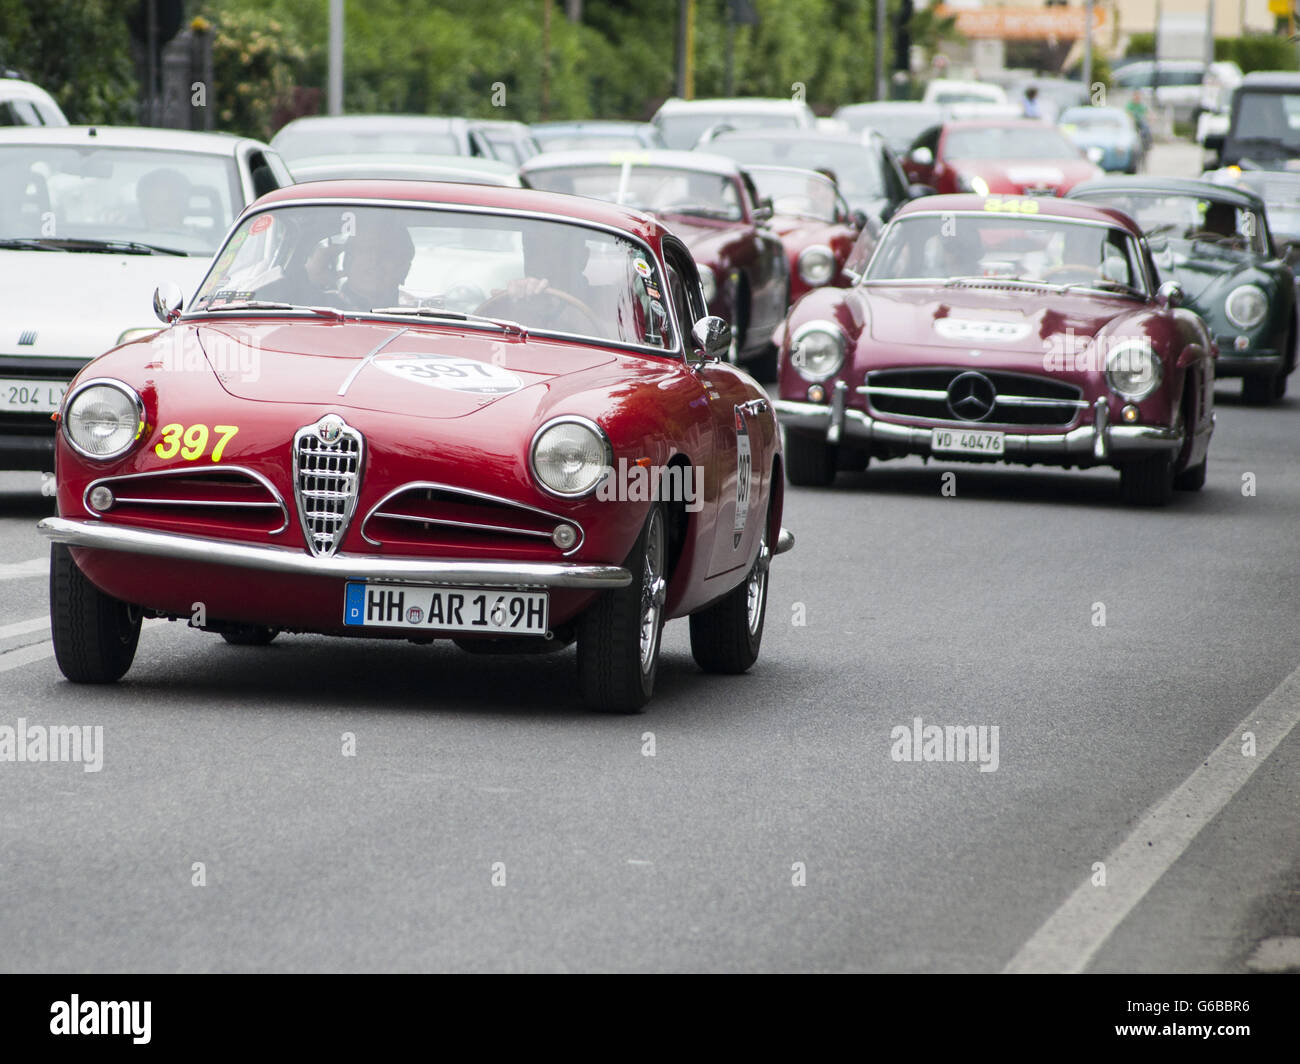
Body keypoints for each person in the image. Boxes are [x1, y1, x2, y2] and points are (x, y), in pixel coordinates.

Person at [333, 215, 416, 311]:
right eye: (366, 250)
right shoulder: (319, 309)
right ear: (347, 261)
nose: (375, 260)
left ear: (405, 269)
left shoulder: (417, 315)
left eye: (387, 253)